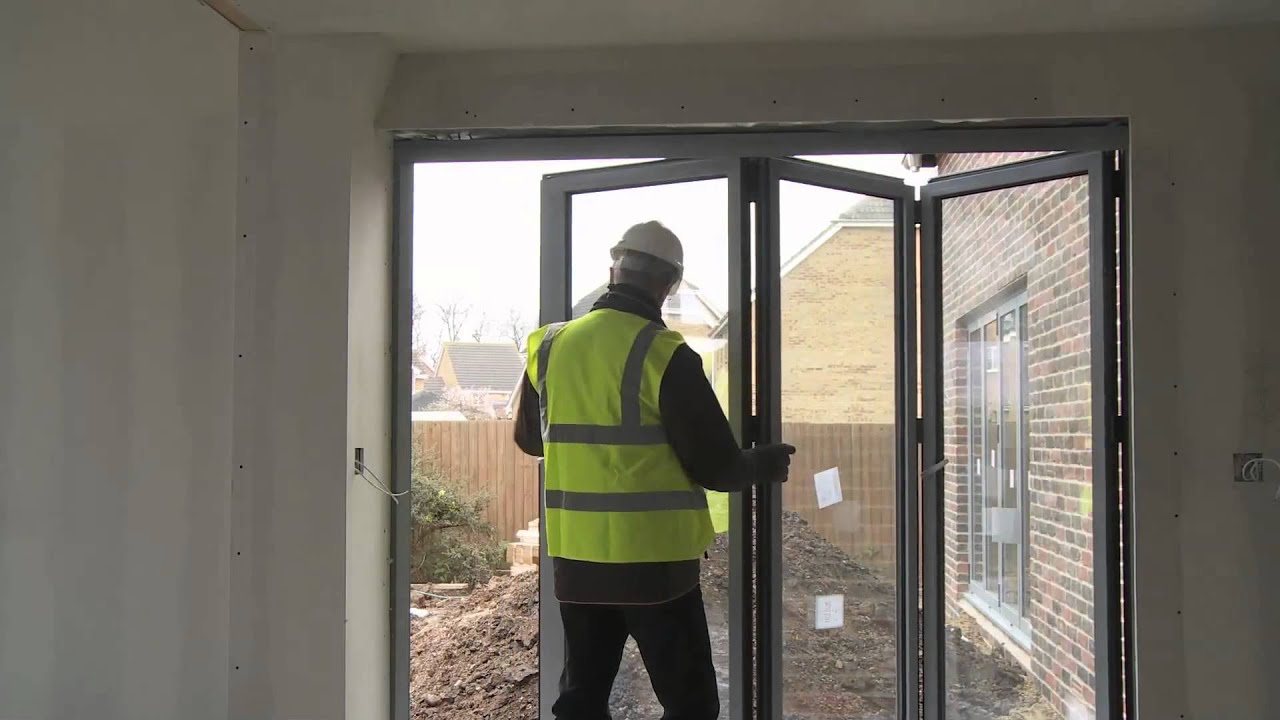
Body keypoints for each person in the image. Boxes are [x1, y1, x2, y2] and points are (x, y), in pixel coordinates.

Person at [513, 220, 796, 720]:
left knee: (581, 700)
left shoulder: (551, 346)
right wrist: (766, 463)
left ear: (612, 270)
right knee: (691, 706)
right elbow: (719, 469)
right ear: (669, 285)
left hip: (577, 566)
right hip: (655, 569)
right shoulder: (665, 355)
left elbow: (530, 439)